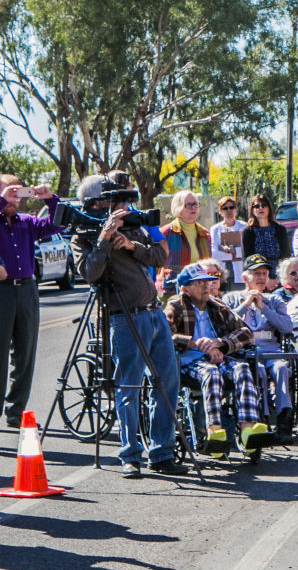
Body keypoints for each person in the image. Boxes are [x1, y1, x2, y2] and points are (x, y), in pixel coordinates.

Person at [70, 176, 186, 477]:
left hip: (154, 313)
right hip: (124, 317)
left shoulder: (133, 224)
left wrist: (131, 244)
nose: (122, 206)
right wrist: (106, 241)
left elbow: (160, 256)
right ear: (97, 204)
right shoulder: (82, 236)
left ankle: (161, 453)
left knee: (168, 381)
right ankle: (130, 455)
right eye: (115, 201)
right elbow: (90, 273)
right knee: (128, 387)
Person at [164, 262, 269, 457]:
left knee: (242, 368)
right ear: (185, 288)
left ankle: (247, 429)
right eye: (199, 283)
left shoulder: (217, 305)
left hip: (218, 356)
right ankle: (214, 430)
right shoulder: (175, 306)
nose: (205, 286)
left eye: (207, 282)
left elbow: (246, 332)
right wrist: (195, 343)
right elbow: (165, 336)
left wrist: (220, 343)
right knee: (211, 373)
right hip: (188, 361)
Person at [0, 176, 61, 428]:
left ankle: (15, 412)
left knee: (25, 355)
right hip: (2, 292)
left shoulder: (27, 222)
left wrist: (50, 198)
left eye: (18, 193)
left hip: (27, 290)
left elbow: (57, 225)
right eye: (9, 193)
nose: (15, 198)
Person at [225, 253, 296, 439]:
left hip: (271, 351)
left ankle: (284, 419)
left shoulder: (274, 300)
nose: (261, 278)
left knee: (281, 368)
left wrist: (264, 307)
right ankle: (262, 418)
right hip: (244, 352)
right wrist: (246, 304)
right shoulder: (231, 299)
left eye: (264, 273)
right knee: (259, 372)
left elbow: (287, 326)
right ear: (244, 278)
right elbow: (225, 324)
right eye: (256, 273)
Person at [159, 190, 211, 288]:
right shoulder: (165, 232)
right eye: (188, 205)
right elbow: (156, 264)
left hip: (199, 288)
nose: (193, 208)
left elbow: (208, 264)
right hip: (173, 289)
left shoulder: (205, 233)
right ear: (178, 207)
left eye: (195, 204)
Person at [241, 193, 291, 277]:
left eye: (264, 205)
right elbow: (247, 259)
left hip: (279, 274)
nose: (261, 208)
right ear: (252, 210)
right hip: (257, 275)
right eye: (257, 206)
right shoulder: (248, 232)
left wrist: (279, 277)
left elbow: (286, 256)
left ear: (269, 208)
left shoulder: (280, 229)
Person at [210, 196, 247, 285]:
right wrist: (234, 255)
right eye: (225, 208)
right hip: (222, 272)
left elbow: (247, 250)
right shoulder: (215, 229)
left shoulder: (244, 227)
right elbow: (214, 254)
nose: (228, 210)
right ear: (220, 211)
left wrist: (230, 251)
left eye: (231, 207)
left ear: (235, 210)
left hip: (241, 271)